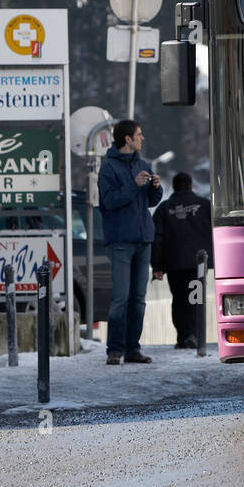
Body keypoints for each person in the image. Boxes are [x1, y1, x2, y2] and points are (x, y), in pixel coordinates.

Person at [98, 119, 162, 364]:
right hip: (121, 241)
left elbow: (149, 201)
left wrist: (155, 188)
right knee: (121, 298)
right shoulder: (109, 168)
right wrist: (133, 185)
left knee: (138, 299)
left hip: (143, 239)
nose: (142, 138)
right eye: (139, 134)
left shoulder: (143, 164)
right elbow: (109, 201)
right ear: (127, 138)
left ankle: (133, 348)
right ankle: (114, 350)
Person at [151, 172, 214, 348]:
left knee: (179, 300)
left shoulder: (164, 208)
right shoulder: (205, 205)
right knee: (196, 299)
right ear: (191, 185)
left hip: (174, 264)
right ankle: (194, 335)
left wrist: (157, 265)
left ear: (174, 186)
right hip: (199, 265)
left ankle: (183, 337)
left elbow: (156, 239)